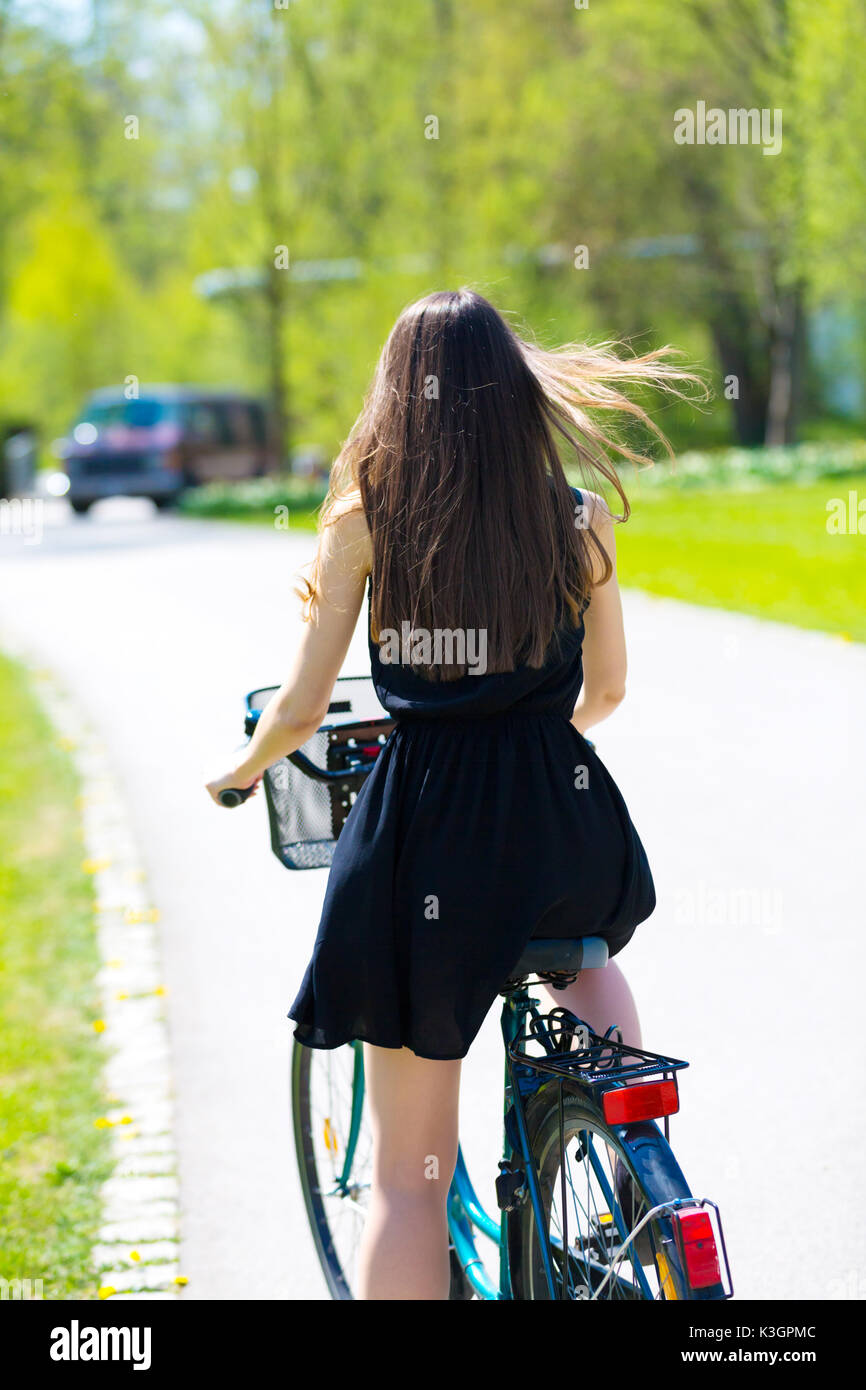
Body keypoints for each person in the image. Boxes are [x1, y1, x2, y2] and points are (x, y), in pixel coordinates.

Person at [206, 288, 701, 1300]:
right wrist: (529, 746)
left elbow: (301, 710)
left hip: (427, 841)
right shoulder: (578, 519)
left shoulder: (367, 521)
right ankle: (627, 1143)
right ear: (514, 390)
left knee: (406, 1181)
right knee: (585, 959)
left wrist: (239, 772)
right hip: (565, 827)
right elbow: (605, 692)